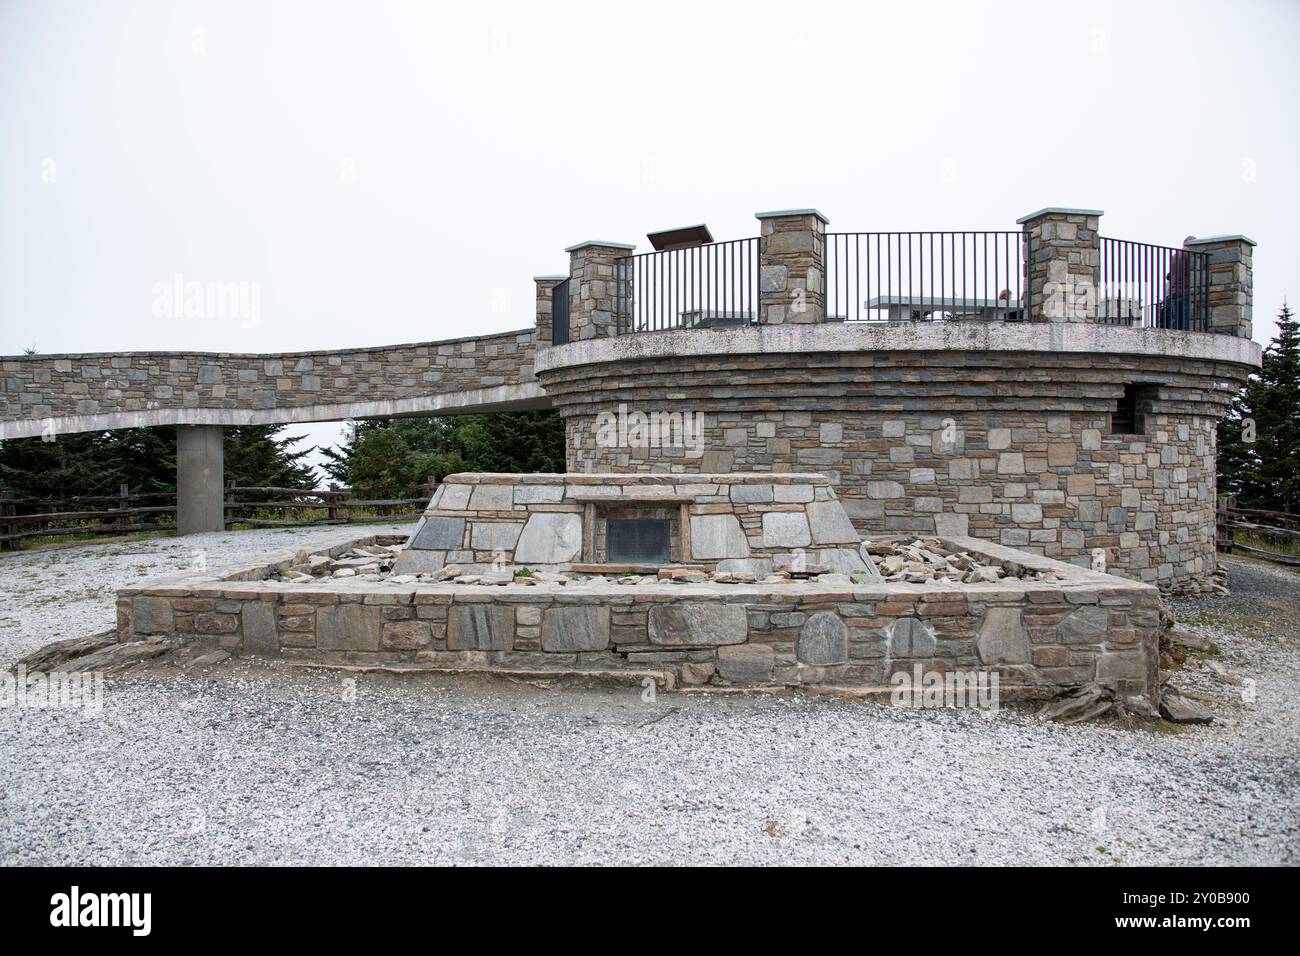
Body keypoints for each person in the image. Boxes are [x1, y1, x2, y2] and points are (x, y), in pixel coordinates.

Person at [1160, 236, 1197, 330]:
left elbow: (1171, 274)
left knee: (1175, 317)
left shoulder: (1174, 256)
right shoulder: (1189, 255)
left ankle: (1174, 334)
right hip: (1184, 289)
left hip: (1173, 290)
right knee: (1185, 317)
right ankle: (1185, 335)